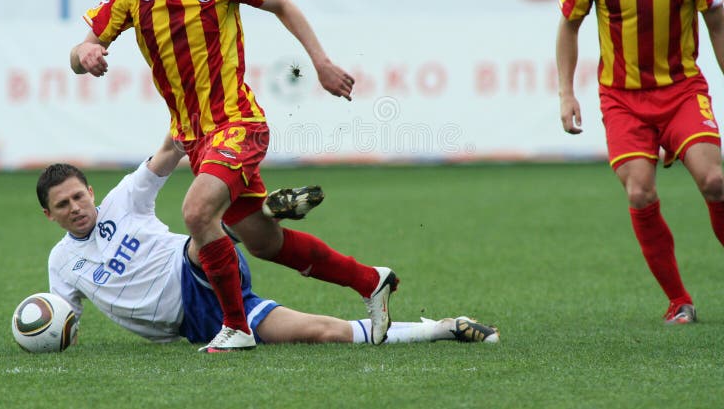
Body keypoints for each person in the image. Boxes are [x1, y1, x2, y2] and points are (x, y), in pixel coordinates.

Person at [70, 0, 398, 352]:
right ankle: (370, 280)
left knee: (197, 212)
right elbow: (81, 48)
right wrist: (84, 56)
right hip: (196, 140)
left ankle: (236, 327)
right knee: (264, 242)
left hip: (238, 124)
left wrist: (320, 63)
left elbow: (283, 3)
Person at [37, 135, 500, 348]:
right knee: (321, 333)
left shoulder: (123, 201)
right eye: (63, 205)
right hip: (201, 320)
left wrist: (187, 123)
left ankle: (258, 217)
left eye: (79, 196)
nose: (75, 207)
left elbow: (167, 152)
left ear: (91, 192)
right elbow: (65, 323)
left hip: (196, 266)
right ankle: (443, 328)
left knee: (199, 239)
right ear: (50, 215)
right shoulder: (62, 263)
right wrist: (48, 334)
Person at [556, 0, 724, 324]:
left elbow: (716, 22)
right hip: (623, 99)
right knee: (640, 192)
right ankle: (678, 301)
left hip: (682, 89)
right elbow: (568, 26)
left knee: (714, 180)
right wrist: (566, 93)